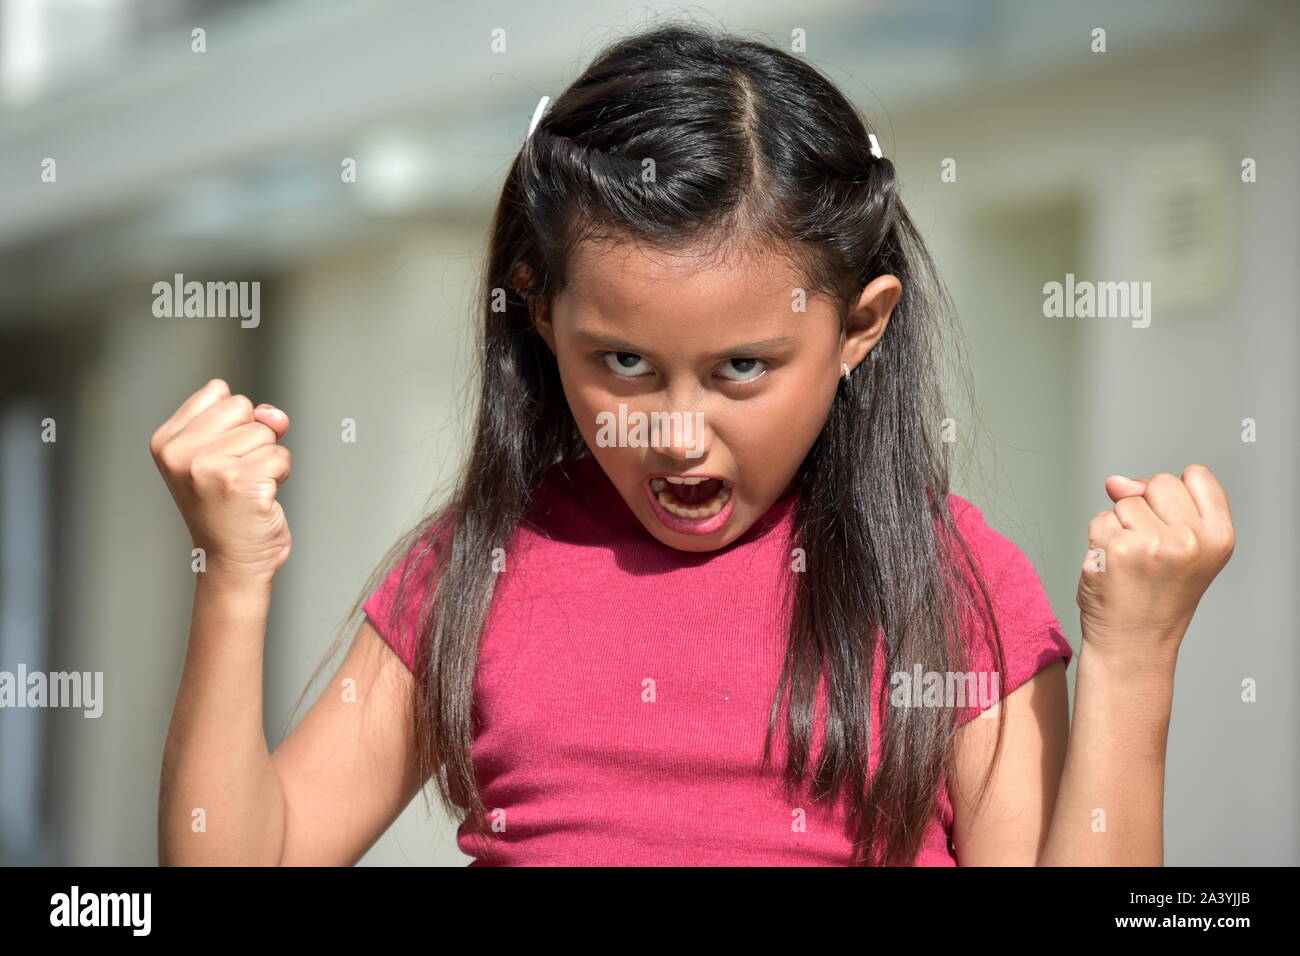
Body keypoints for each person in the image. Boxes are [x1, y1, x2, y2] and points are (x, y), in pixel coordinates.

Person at [151, 23, 1235, 866]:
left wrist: (1135, 660)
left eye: (741, 370)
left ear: (859, 327)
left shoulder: (949, 589)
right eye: (622, 364)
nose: (676, 432)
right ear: (536, 312)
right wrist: (232, 573)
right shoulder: (470, 568)